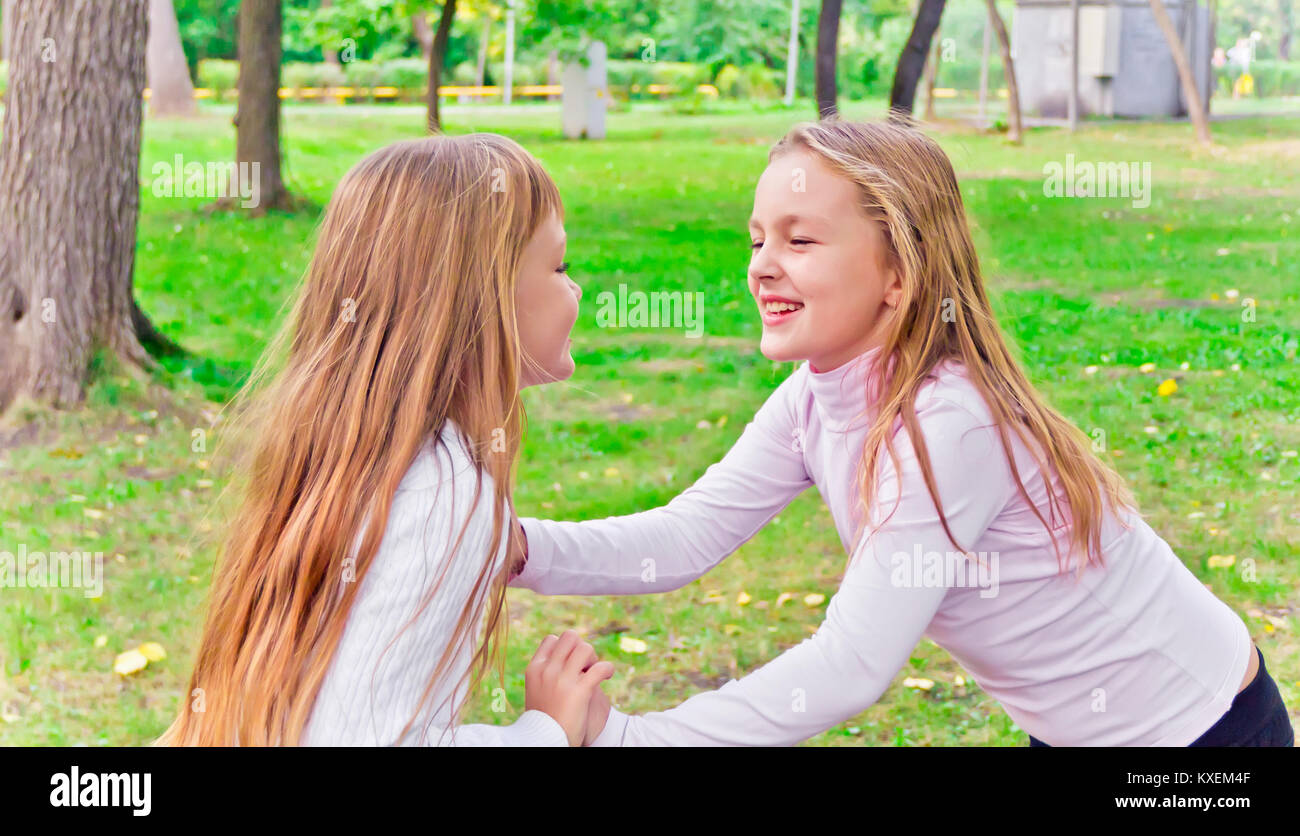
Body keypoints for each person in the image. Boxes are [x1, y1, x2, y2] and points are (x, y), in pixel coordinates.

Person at [510, 118, 1294, 747]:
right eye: (758, 240)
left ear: (899, 272)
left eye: (801, 240)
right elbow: (684, 537)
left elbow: (851, 666)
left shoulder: (950, 424)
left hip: (1202, 736)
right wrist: (516, 550)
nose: (761, 266)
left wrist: (637, 739)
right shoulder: (814, 401)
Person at [158, 134, 611, 746]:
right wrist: (548, 729)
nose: (575, 288)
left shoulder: (354, 460)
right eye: (559, 267)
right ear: (482, 297)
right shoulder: (448, 494)